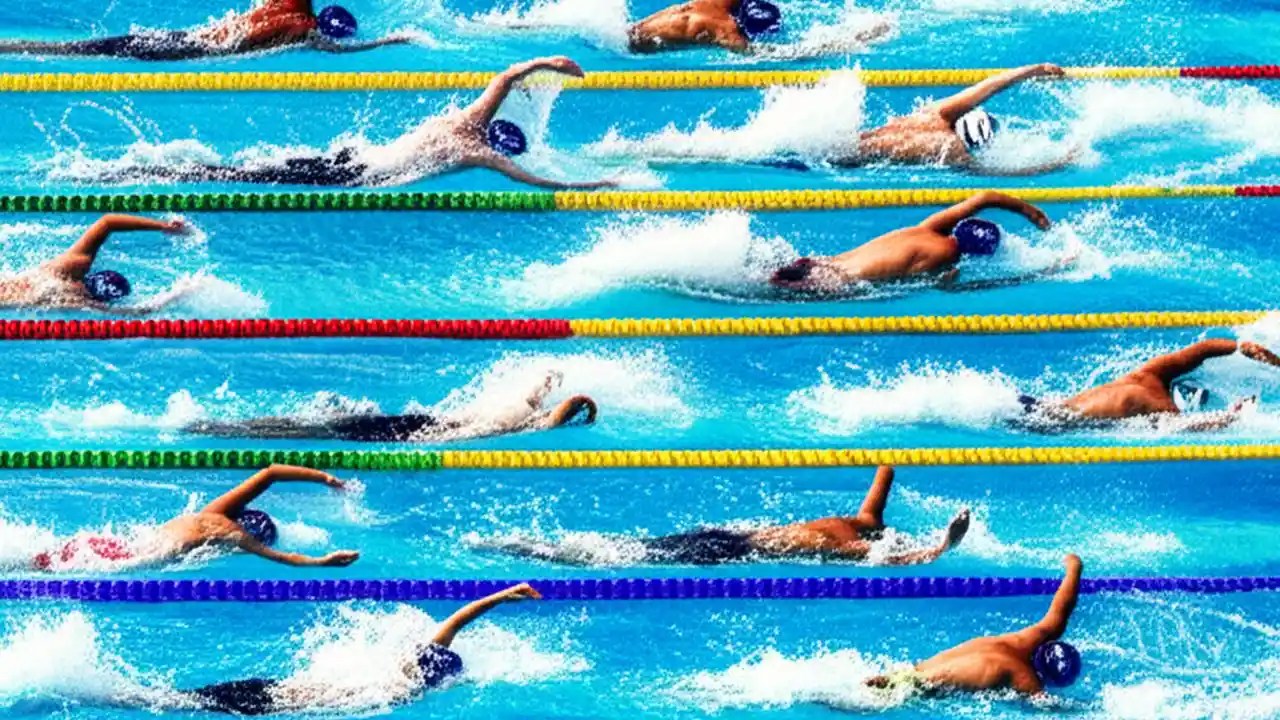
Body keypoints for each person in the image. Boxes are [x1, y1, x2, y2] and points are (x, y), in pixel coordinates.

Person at [103, 57, 616, 190]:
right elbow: (534, 178)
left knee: (250, 169)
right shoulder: (477, 152)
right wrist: (588, 183)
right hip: (356, 176)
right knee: (246, 176)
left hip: (350, 156)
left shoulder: (468, 118)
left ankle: (145, 168)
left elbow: (506, 76)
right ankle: (156, 171)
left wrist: (549, 63)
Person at [478, 466, 970, 566]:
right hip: (732, 543)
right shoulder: (865, 526)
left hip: (734, 545)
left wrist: (945, 545)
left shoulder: (852, 539)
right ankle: (537, 549)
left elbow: (903, 559)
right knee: (633, 553)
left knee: (633, 553)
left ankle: (535, 550)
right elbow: (881, 489)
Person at [187, 583, 542, 715]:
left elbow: (455, 623)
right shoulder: (402, 687)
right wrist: (498, 597)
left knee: (192, 700)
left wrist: (500, 597)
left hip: (284, 691)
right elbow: (454, 625)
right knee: (190, 702)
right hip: (284, 703)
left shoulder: (391, 675)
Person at [29, 464, 359, 571]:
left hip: (108, 544)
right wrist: (322, 562)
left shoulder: (214, 511)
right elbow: (284, 557)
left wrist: (323, 478)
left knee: (34, 559)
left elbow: (271, 472)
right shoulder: (233, 534)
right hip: (126, 560)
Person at [863, 554, 1083, 697]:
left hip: (914, 672)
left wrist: (1074, 568)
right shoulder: (1026, 679)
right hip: (915, 689)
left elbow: (1060, 613)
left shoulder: (1028, 640)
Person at [769, 190, 1065, 294]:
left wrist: (1028, 210)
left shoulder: (930, 228)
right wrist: (1039, 274)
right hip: (831, 283)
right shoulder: (948, 254)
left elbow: (983, 198)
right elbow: (947, 289)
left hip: (818, 263)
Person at [185, 371, 598, 442]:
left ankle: (219, 426)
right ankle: (219, 427)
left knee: (317, 425)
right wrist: (579, 403)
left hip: (417, 421)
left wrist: (563, 392)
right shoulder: (522, 426)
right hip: (414, 432)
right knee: (317, 429)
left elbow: (542, 398)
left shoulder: (518, 409)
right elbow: (558, 412)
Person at [828, 63, 1074, 175]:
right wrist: (1058, 163)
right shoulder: (954, 152)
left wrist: (1035, 69)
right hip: (849, 162)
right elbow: (1007, 172)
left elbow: (992, 85)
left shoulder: (937, 113)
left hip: (842, 141)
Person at [1018, 339, 1280, 431]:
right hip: (1051, 424)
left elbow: (1201, 350)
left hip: (1045, 408)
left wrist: (1239, 347)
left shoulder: (1150, 374)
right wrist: (1234, 414)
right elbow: (1201, 424)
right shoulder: (1164, 411)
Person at [0, 1, 407, 60]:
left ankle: (11, 47)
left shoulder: (291, 5)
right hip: (189, 53)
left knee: (86, 47)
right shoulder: (304, 31)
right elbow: (340, 52)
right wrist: (387, 41)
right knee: (85, 51)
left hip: (181, 35)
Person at [0, 213, 196, 314]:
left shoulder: (72, 266)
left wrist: (163, 226)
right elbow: (137, 312)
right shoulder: (78, 302)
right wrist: (178, 294)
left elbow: (108, 222)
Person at [626, 0, 889, 54]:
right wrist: (850, 40)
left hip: (625, 31)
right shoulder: (725, 29)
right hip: (633, 48)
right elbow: (771, 54)